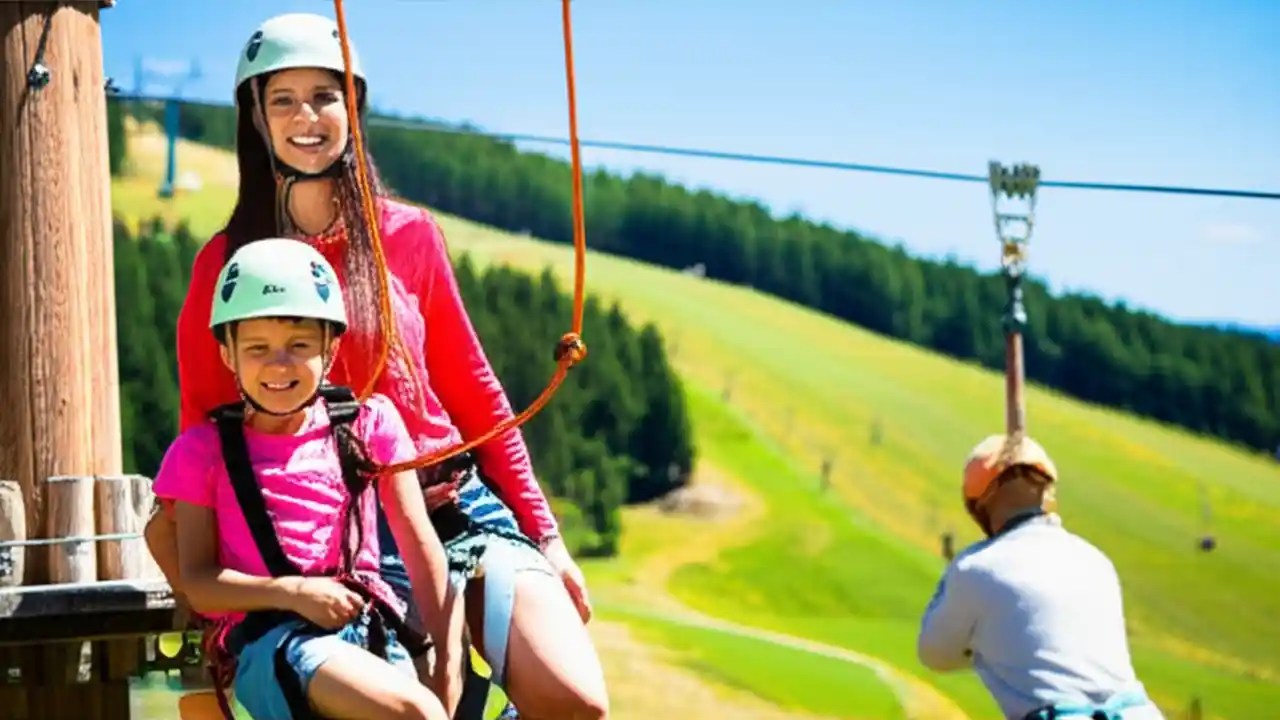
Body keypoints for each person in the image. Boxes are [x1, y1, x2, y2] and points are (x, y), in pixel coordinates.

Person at [145, 11, 609, 720]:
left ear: (353, 109)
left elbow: (476, 393)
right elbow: (206, 434)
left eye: (326, 96)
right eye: (283, 99)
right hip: (325, 537)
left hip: (448, 502)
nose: (307, 117)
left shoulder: (409, 236)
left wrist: (546, 534)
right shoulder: (227, 266)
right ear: (256, 119)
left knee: (574, 700)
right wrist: (229, 609)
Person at [153, 238, 457, 719]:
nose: (279, 364)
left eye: (299, 346)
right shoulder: (203, 453)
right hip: (272, 644)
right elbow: (200, 582)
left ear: (330, 350)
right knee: (414, 713)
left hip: (369, 633)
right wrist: (292, 593)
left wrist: (445, 659)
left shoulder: (367, 427)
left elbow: (421, 549)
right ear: (228, 354)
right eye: (257, 348)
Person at [916, 433, 1165, 720]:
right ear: (1048, 491)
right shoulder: (1095, 560)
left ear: (977, 506)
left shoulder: (975, 568)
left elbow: (935, 654)